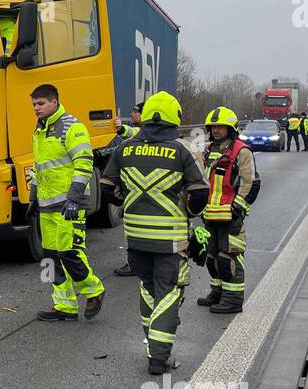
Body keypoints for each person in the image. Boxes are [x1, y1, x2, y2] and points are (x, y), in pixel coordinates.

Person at [103, 91, 208, 374]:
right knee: (170, 293)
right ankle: (159, 358)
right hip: (170, 240)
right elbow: (200, 194)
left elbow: (106, 189)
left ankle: (152, 347)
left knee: (149, 290)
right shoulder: (184, 150)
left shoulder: (124, 148)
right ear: (175, 118)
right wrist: (188, 213)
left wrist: (129, 203)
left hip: (135, 238)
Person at [29, 84, 104, 321]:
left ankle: (94, 290)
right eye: (33, 105)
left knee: (69, 252)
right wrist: (33, 198)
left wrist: (73, 199)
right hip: (47, 205)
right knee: (50, 257)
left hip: (68, 206)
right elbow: (38, 167)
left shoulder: (72, 127)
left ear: (54, 102)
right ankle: (64, 306)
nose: (36, 108)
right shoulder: (40, 130)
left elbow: (84, 164)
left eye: (40, 103)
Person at [195, 106, 261, 314]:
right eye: (213, 127)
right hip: (210, 215)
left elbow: (251, 183)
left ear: (230, 128)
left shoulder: (241, 150)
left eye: (220, 127)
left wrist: (237, 211)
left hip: (230, 216)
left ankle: (232, 300)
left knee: (229, 258)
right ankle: (218, 292)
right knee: (212, 258)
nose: (216, 130)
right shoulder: (207, 150)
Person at [109, 102, 143, 277]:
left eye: (136, 112)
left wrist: (121, 128)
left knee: (132, 228)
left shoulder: (144, 133)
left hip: (136, 191)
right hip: (138, 189)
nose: (131, 114)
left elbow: (131, 132)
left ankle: (133, 264)